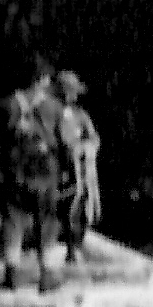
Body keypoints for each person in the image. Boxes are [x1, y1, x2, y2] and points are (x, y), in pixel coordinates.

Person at [0, 68, 68, 290]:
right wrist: (67, 171)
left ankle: (11, 274)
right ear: (40, 79)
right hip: (45, 173)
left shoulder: (5, 105)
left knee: (13, 221)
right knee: (47, 222)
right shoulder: (55, 107)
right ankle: (47, 275)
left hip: (13, 172)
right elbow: (66, 144)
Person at [51, 70, 102, 263]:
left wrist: (86, 147)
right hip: (58, 169)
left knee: (80, 205)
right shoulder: (52, 112)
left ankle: (76, 246)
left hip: (80, 170)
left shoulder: (80, 115)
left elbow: (94, 137)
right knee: (62, 207)